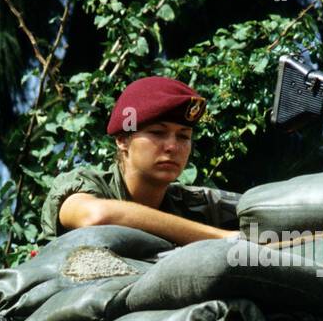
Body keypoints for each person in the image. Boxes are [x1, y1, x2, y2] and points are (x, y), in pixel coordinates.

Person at [40, 75, 241, 245]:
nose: (172, 146)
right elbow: (96, 216)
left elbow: (260, 209)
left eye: (183, 136)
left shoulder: (189, 203)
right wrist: (223, 238)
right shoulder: (85, 185)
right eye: (157, 132)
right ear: (122, 140)